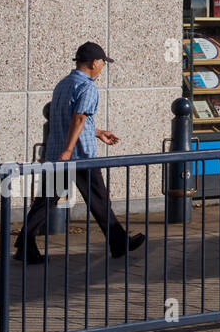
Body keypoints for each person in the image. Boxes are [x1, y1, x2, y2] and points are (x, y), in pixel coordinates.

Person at [13, 42, 146, 264]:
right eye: (103, 63)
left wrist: (98, 132)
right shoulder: (88, 87)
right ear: (94, 63)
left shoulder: (63, 85)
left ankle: (25, 246)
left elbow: (71, 119)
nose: (103, 67)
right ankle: (118, 242)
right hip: (79, 155)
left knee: (46, 200)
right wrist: (69, 150)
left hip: (59, 153)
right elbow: (79, 118)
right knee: (98, 199)